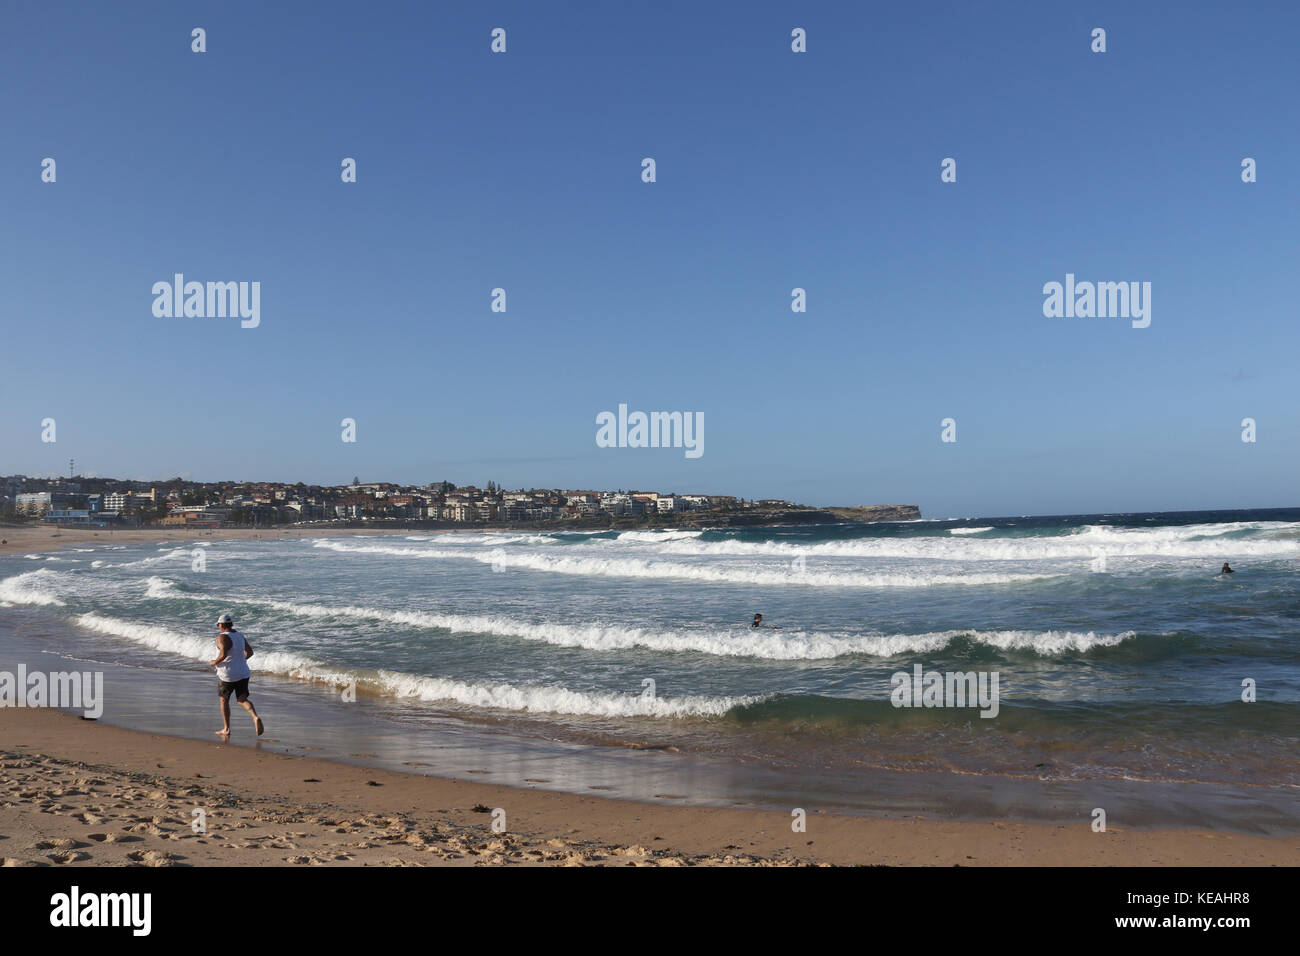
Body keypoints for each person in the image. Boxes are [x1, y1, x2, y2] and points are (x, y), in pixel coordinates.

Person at [209, 613, 264, 738]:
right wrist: (240, 661)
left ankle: (226, 729)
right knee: (242, 700)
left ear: (221, 625)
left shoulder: (221, 637)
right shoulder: (239, 635)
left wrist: (214, 662)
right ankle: (255, 717)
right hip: (243, 672)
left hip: (227, 674)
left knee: (224, 700)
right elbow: (249, 652)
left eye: (219, 625)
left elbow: (223, 654)